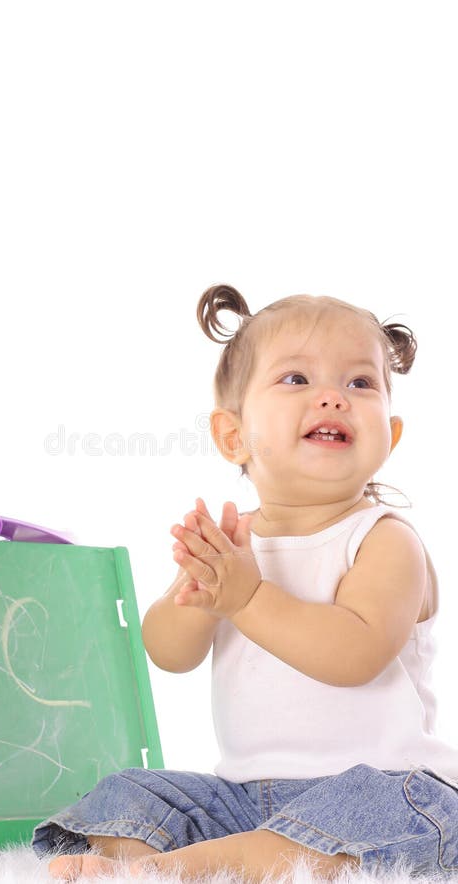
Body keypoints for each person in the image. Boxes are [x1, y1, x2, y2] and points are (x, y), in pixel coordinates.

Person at [33, 285, 458, 882]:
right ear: (235, 436)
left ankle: (169, 870)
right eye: (296, 379)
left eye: (361, 382)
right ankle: (195, 859)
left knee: (397, 811)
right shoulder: (234, 545)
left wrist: (248, 597)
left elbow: (356, 653)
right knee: (130, 792)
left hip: (379, 783)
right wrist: (205, 597)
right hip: (243, 798)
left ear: (390, 435)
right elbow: (168, 652)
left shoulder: (384, 540)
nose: (333, 397)